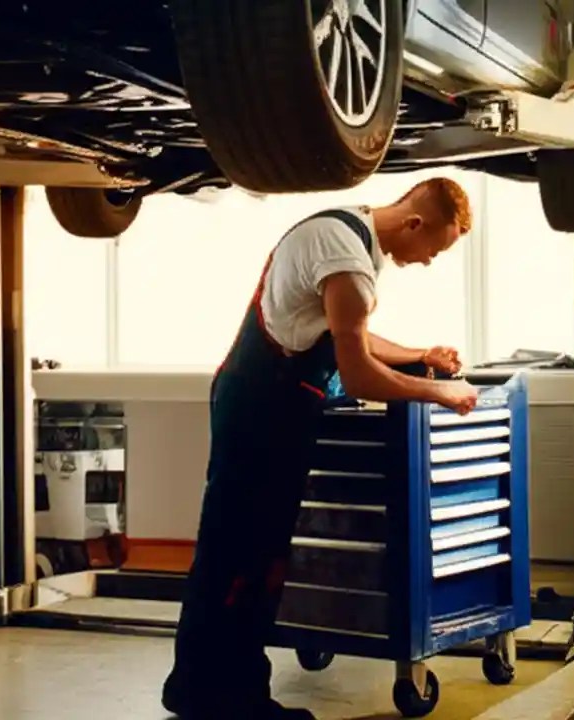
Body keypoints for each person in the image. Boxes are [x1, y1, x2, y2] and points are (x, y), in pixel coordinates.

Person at [162, 177, 479, 720]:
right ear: (414, 223)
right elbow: (355, 374)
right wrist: (438, 391)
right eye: (435, 249)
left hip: (263, 398)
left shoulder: (345, 231)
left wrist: (418, 355)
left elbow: (344, 331)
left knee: (234, 548)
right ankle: (231, 700)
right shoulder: (350, 263)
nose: (428, 262)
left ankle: (194, 687)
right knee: (246, 553)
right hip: (266, 405)